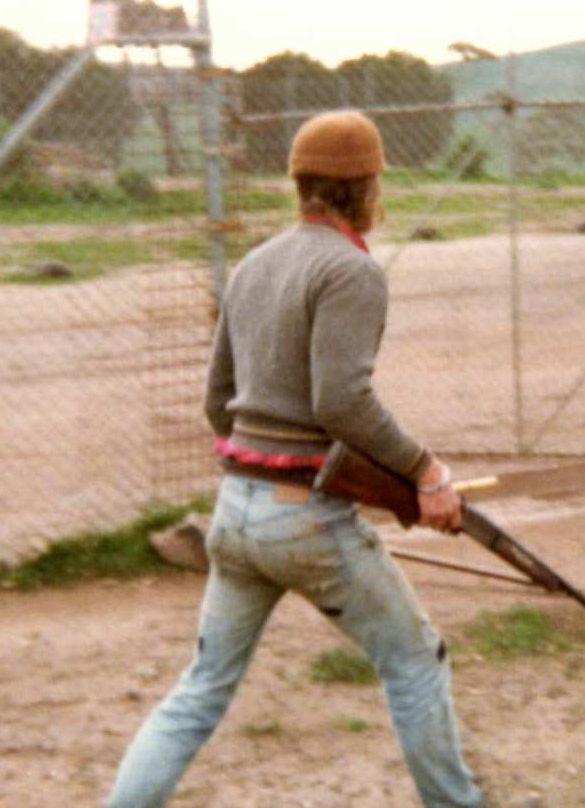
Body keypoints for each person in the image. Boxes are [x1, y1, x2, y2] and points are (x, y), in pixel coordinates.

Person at [107, 110, 485, 808]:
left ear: (301, 185)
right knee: (413, 660)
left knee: (197, 692)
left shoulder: (254, 263)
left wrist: (265, 455)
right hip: (306, 520)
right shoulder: (350, 270)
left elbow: (217, 402)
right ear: (368, 187)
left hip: (233, 513)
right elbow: (340, 400)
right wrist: (425, 473)